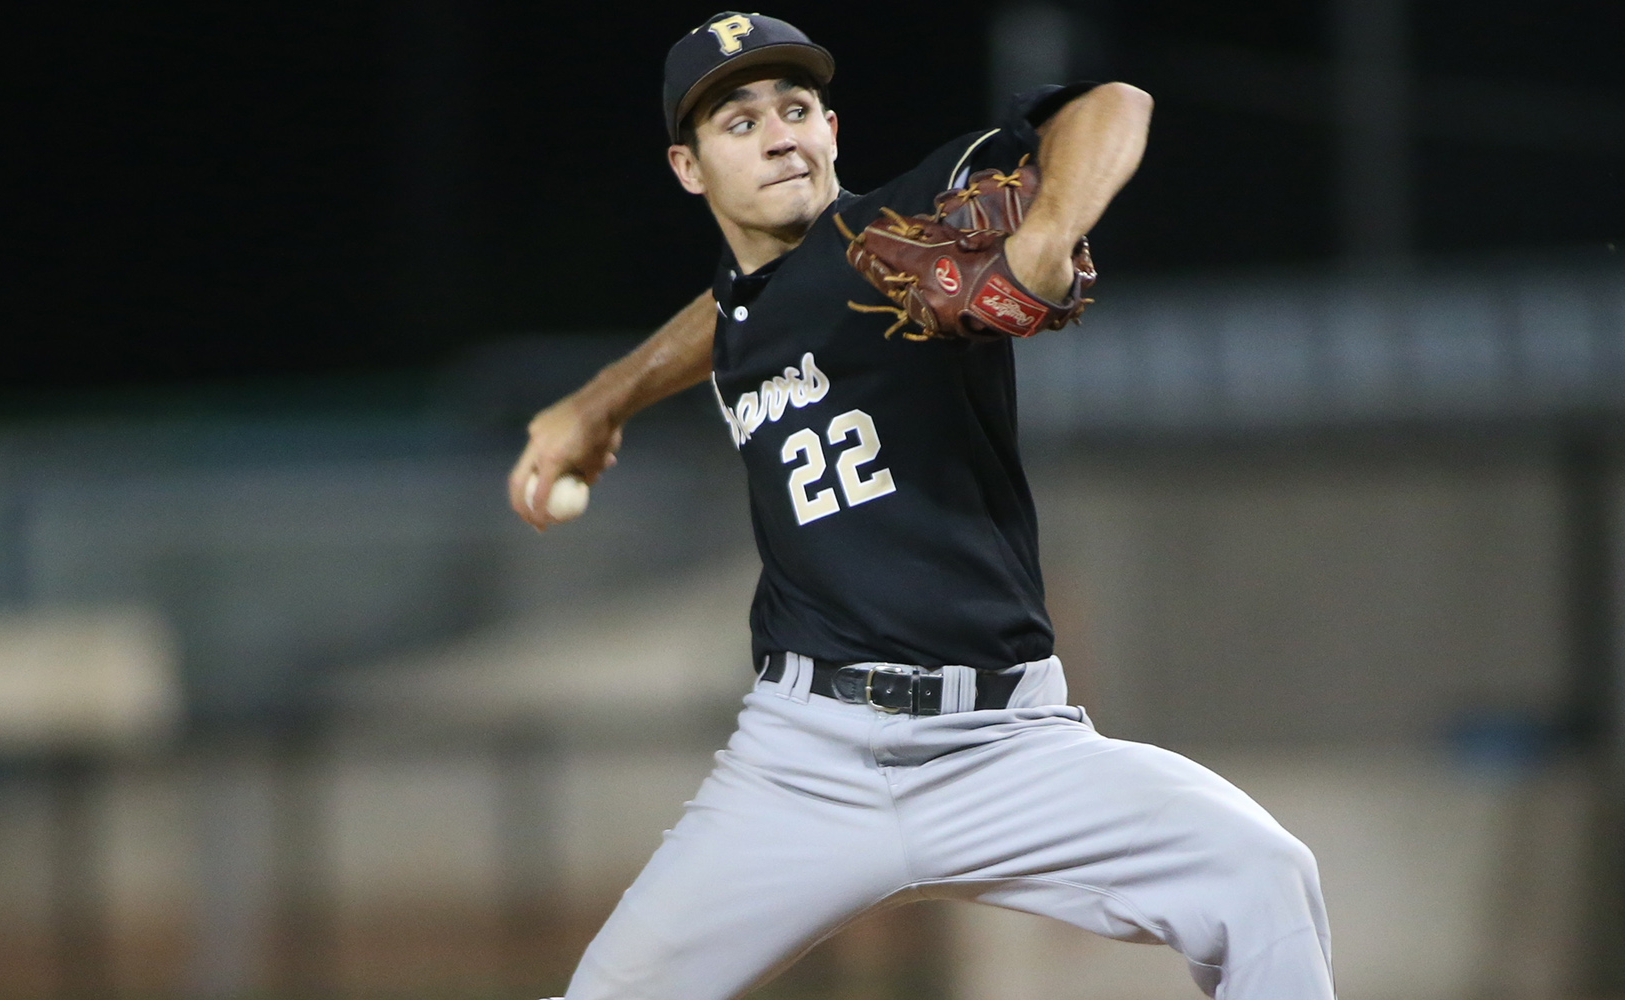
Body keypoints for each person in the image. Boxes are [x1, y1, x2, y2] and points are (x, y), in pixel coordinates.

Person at [508, 12, 1334, 1000]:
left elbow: (1109, 104)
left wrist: (1045, 233)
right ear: (688, 169)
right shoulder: (744, 311)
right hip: (800, 760)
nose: (778, 134)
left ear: (831, 130)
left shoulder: (894, 228)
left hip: (1004, 745)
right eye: (739, 123)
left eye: (796, 108)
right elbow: (733, 315)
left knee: (1260, 872)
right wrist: (596, 404)